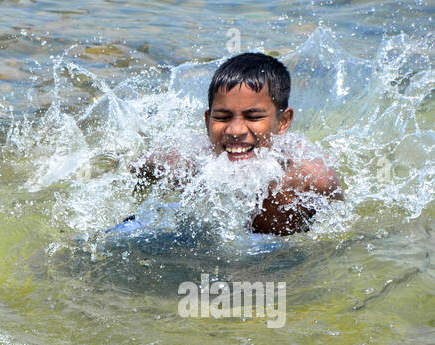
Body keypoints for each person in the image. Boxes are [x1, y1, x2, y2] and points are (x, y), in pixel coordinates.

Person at [133, 52, 343, 234]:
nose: (235, 131)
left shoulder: (308, 181)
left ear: (283, 122)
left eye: (253, 117)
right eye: (222, 117)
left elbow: (341, 234)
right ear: (207, 121)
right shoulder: (188, 165)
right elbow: (138, 169)